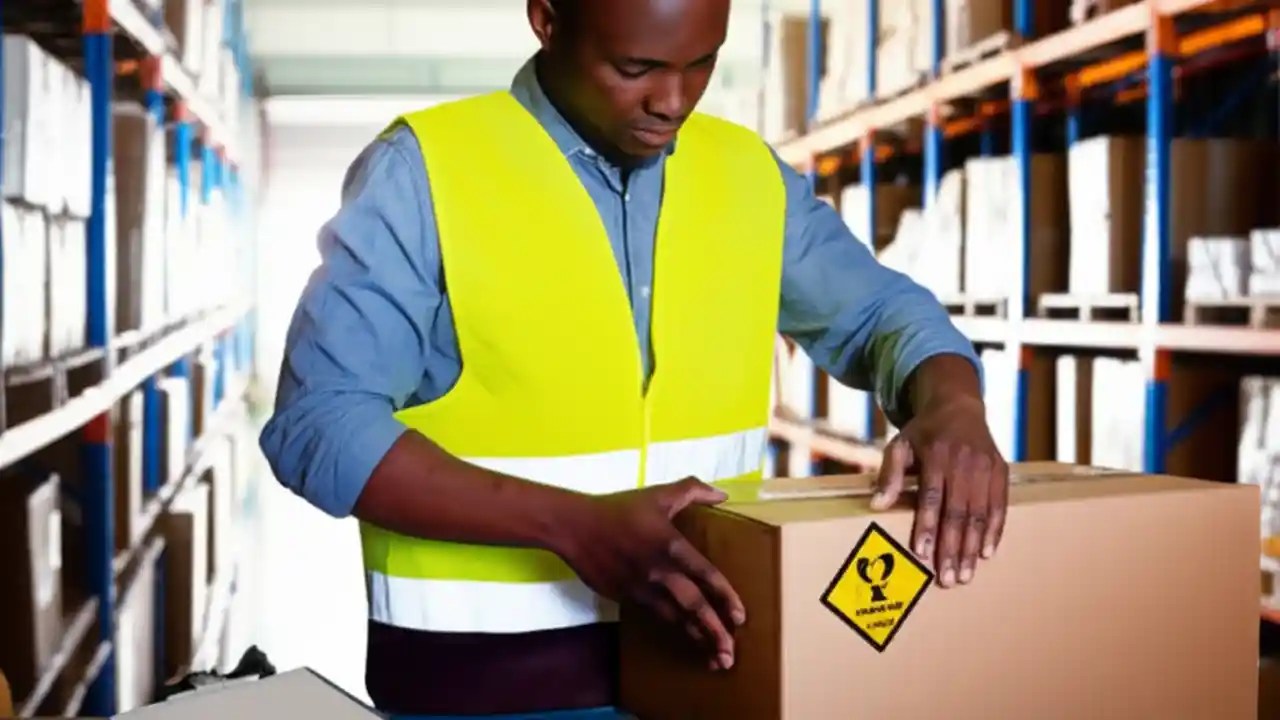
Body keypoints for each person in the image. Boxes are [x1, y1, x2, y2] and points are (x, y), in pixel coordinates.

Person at [260, 0, 1009, 716]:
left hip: (711, 679)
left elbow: (885, 314)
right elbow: (319, 424)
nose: (673, 101)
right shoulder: (422, 173)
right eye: (636, 66)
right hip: (484, 693)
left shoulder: (746, 175)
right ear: (547, 20)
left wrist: (951, 405)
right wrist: (572, 527)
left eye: (703, 62)